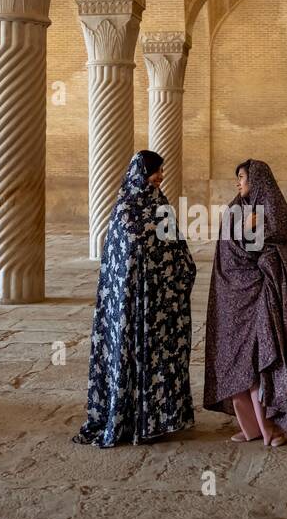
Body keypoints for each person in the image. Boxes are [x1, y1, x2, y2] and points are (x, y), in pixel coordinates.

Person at [73, 150, 196, 447]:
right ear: (140, 173)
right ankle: (129, 419)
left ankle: (161, 419)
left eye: (161, 171)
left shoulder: (161, 204)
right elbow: (121, 260)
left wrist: (176, 269)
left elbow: (176, 247)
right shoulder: (125, 209)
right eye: (155, 171)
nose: (160, 177)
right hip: (130, 304)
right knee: (131, 355)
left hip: (159, 303)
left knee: (160, 354)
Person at [203, 159, 287, 446]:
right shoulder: (235, 210)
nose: (237, 182)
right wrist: (242, 228)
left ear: (258, 180)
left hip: (265, 298)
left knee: (263, 360)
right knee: (236, 362)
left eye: (242, 177)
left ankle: (277, 426)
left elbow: (285, 252)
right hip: (234, 297)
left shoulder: (274, 212)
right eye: (237, 178)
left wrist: (262, 251)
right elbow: (230, 251)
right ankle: (252, 426)